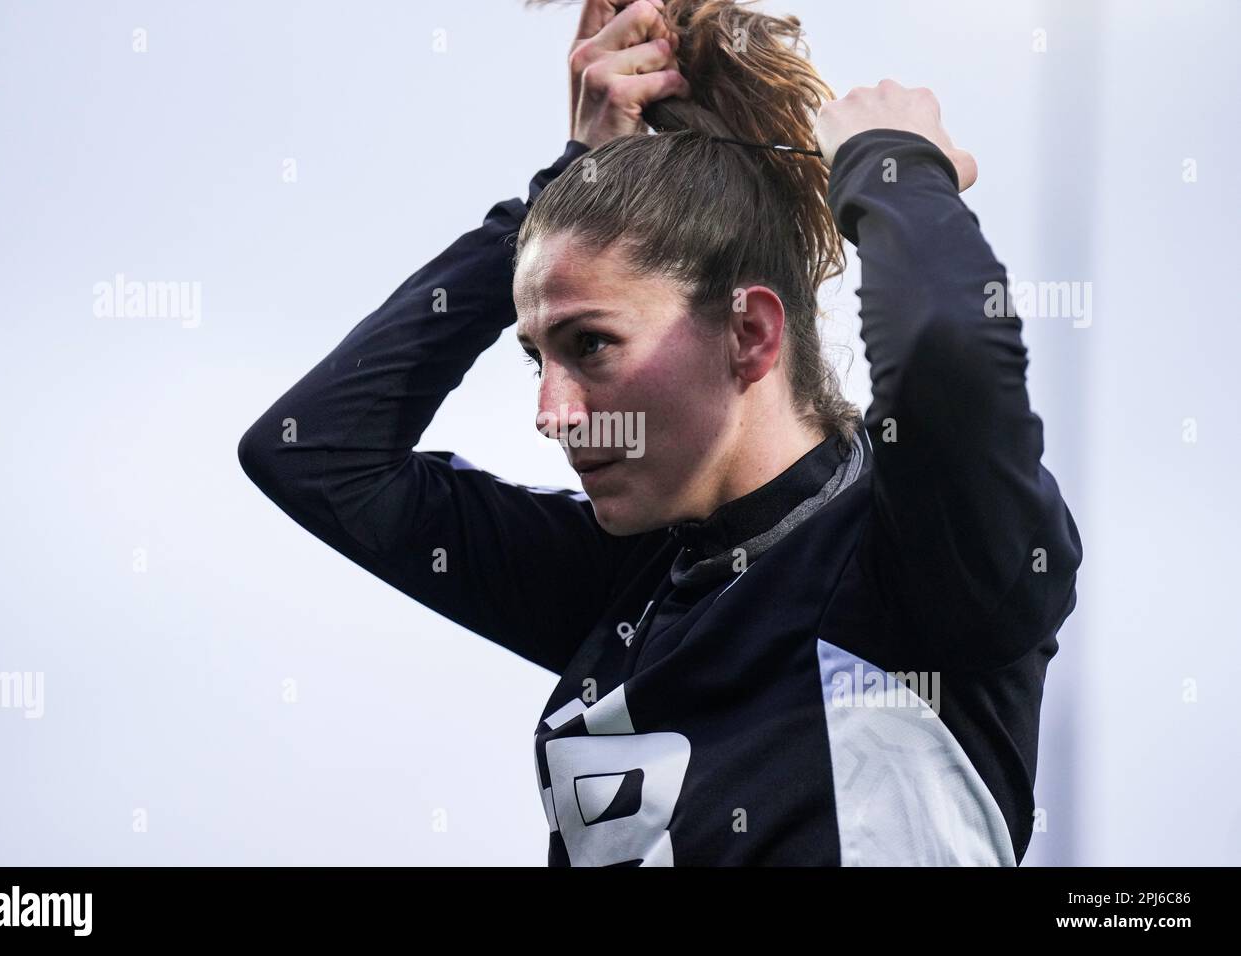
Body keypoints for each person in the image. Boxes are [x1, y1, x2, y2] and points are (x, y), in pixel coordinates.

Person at [237, 0, 1082, 866]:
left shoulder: (915, 563)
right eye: (537, 358)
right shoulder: (629, 584)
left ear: (750, 332)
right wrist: (571, 179)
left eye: (592, 345)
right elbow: (310, 452)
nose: (551, 414)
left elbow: (948, 346)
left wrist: (892, 165)